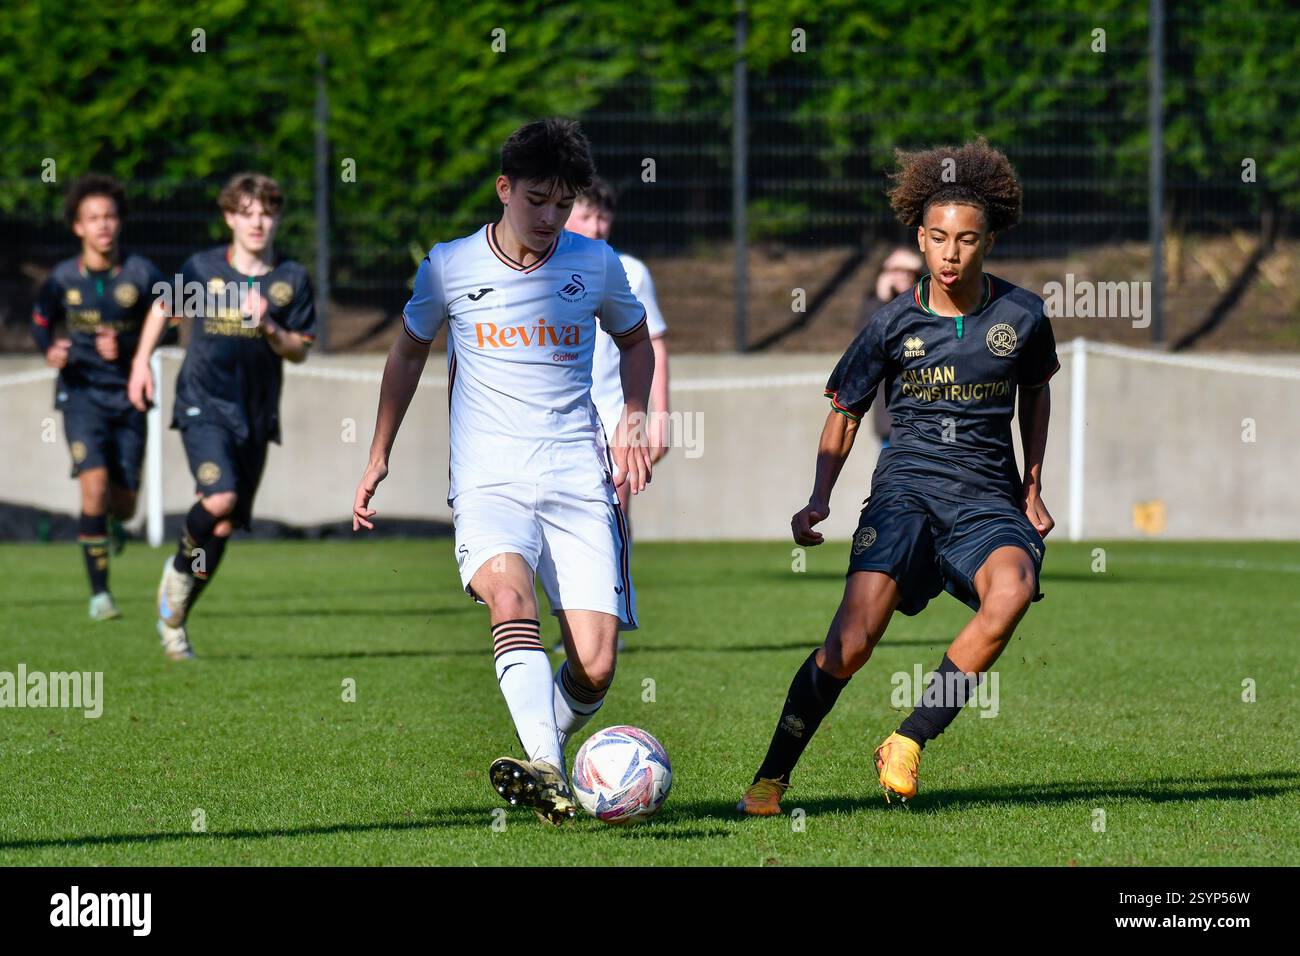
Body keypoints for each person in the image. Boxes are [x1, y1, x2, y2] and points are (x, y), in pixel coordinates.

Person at [737, 137, 1059, 814]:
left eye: (966, 240)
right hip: (905, 494)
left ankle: (908, 739)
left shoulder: (1024, 316)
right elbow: (845, 410)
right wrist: (818, 498)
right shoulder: (890, 322)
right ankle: (772, 776)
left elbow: (1036, 393)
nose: (950, 254)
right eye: (938, 238)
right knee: (849, 646)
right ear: (920, 238)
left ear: (989, 242)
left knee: (1013, 590)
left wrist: (1032, 485)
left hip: (986, 501)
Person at [351, 119, 654, 826]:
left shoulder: (595, 264)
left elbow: (636, 342)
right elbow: (407, 352)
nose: (549, 217)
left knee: (596, 666)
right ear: (504, 189)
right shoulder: (450, 265)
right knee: (509, 599)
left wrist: (635, 416)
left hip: (578, 478)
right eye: (536, 200)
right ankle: (547, 765)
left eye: (562, 204)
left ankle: (545, 758)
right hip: (488, 480)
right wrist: (378, 451)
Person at [128, 172, 316, 660]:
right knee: (219, 498)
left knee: (224, 525)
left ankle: (175, 621)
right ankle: (176, 569)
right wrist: (140, 364)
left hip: (255, 414)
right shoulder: (203, 268)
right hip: (201, 403)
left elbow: (299, 350)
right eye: (247, 213)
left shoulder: (291, 278)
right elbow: (162, 308)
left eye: (267, 213)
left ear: (277, 219)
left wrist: (269, 325)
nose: (258, 223)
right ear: (229, 217)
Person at [30, 175, 167, 620]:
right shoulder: (62, 278)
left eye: (109, 216)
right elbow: (40, 321)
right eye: (93, 218)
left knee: (124, 506)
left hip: (129, 396)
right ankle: (100, 596)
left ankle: (112, 525)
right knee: (93, 484)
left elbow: (171, 324)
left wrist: (126, 349)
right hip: (80, 394)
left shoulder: (143, 274)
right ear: (78, 227)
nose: (103, 225)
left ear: (119, 222)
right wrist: (51, 349)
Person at [559, 175, 670, 652]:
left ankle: (608, 620)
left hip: (614, 418)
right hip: (559, 423)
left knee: (612, 514)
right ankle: (570, 621)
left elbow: (652, 343)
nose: (597, 225)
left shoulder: (629, 271)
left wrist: (655, 416)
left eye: (603, 216)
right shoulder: (540, 271)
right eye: (586, 215)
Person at [859, 248, 922, 449]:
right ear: (883, 272)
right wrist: (881, 298)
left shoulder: (927, 304)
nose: (903, 275)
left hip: (927, 418)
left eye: (909, 270)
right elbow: (866, 346)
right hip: (891, 420)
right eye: (896, 269)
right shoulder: (873, 305)